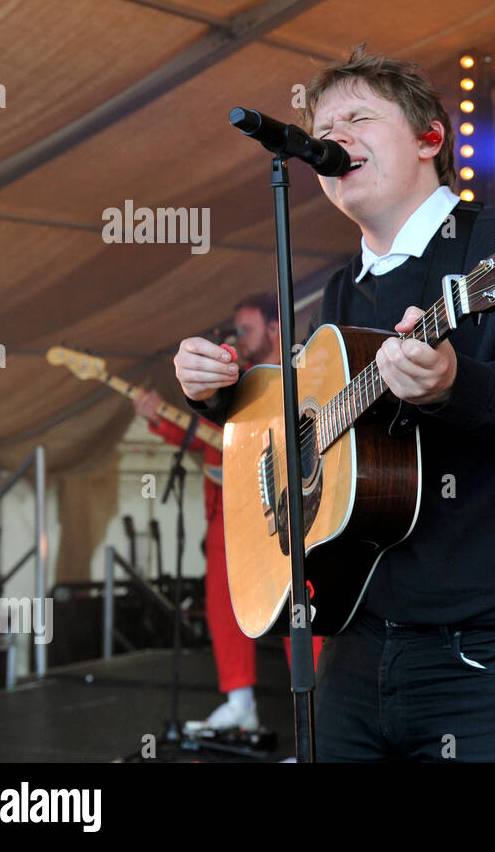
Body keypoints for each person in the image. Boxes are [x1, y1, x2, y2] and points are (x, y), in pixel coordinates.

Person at [172, 47, 495, 762]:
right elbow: (318, 432)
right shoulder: (341, 291)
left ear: (430, 137)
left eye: (358, 118)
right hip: (359, 646)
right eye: (322, 126)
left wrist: (456, 384)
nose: (331, 137)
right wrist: (224, 400)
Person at [134, 294, 320, 732]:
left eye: (246, 328)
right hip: (234, 508)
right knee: (223, 598)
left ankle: (315, 722)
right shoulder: (230, 376)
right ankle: (239, 703)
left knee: (304, 603)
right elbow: (209, 439)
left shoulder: (304, 366)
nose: (236, 336)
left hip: (294, 505)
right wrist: (159, 419)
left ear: (275, 328)